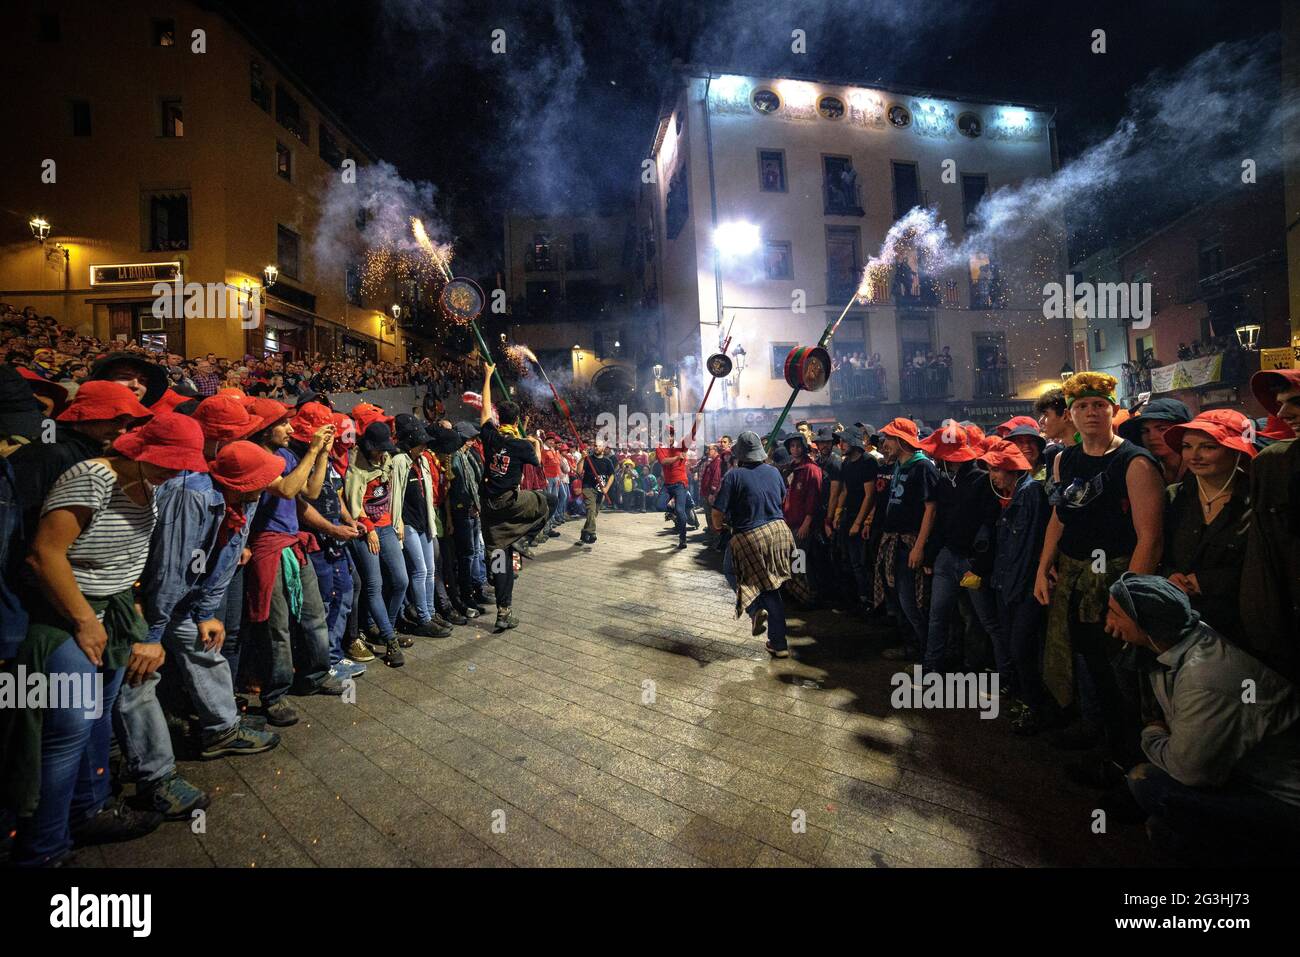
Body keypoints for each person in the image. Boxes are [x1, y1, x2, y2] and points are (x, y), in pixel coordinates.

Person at [5, 414, 206, 865]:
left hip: (111, 611)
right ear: (141, 449)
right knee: (68, 732)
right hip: (66, 614)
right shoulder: (93, 476)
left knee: (96, 719)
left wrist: (129, 605)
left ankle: (87, 812)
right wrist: (83, 619)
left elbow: (122, 554)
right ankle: (42, 850)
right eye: (168, 461)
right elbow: (45, 554)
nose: (176, 470)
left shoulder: (151, 484)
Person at [1106, 574, 1300, 865]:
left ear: (1147, 626)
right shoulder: (1180, 640)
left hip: (1283, 798)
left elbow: (1190, 770)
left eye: (1115, 614)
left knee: (1146, 782)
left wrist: (1153, 733)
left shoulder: (1204, 679)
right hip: (1244, 772)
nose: (1108, 621)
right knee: (1163, 823)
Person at [1034, 372, 1164, 783]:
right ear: (1071, 414)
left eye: (1098, 405)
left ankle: (1130, 769)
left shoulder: (1135, 462)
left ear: (1112, 410)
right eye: (1082, 406)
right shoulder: (1063, 459)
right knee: (1090, 666)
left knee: (1122, 679)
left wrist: (1126, 602)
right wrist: (1042, 567)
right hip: (1074, 579)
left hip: (1115, 579)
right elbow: (1060, 515)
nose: (1091, 412)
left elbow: (1151, 538)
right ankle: (1102, 745)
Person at [245, 398, 347, 717]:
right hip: (267, 547)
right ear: (264, 430)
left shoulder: (287, 455)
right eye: (282, 424)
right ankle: (275, 695)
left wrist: (324, 453)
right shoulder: (255, 457)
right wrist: (314, 452)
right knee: (277, 626)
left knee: (313, 614)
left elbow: (310, 493)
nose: (290, 428)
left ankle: (315, 675)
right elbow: (287, 490)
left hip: (293, 543)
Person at [1159, 409, 1253, 644]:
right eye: (1187, 446)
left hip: (1240, 627)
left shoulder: (1258, 500)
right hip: (1181, 623)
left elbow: (1267, 565)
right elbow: (1159, 551)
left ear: (1235, 450)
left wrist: (1207, 581)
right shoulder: (1174, 497)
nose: (1194, 456)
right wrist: (1171, 575)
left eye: (1209, 447)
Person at [919, 424, 1002, 675]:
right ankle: (932, 666)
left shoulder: (981, 480)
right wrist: (932, 555)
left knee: (985, 620)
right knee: (939, 615)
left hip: (971, 562)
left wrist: (979, 565)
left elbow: (989, 526)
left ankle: (995, 671)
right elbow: (940, 523)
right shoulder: (945, 481)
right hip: (947, 557)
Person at [477, 362, 554, 631]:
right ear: (517, 421)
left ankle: (503, 612)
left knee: (501, 562)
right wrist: (533, 441)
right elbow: (538, 463)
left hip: (489, 511)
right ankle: (526, 538)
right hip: (509, 505)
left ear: (500, 417)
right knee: (549, 501)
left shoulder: (490, 437)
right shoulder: (521, 445)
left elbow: (485, 410)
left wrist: (487, 377)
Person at [982, 438, 1052, 733]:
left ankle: (1037, 709)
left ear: (1012, 470)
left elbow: (1028, 546)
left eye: (997, 469)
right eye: (991, 469)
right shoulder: (1014, 495)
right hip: (1008, 583)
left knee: (1023, 648)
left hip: (1023, 586)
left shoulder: (1031, 494)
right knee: (1016, 646)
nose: (993, 476)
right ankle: (1028, 701)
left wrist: (1017, 587)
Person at [1237, 369, 1300, 682]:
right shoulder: (1272, 465)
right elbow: (1262, 553)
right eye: (1281, 404)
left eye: (1295, 402)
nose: (1283, 413)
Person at [713, 432, 796, 658]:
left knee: (730, 570)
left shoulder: (733, 475)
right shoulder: (774, 472)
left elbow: (718, 511)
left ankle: (754, 609)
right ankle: (779, 645)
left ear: (739, 454)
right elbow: (782, 499)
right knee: (772, 587)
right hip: (780, 532)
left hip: (751, 534)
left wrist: (719, 528)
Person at [345, 420, 410, 666]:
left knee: (401, 580)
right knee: (374, 583)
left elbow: (393, 493)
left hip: (386, 525)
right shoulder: (356, 467)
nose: (382, 453)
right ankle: (390, 640)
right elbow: (354, 505)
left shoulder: (387, 461)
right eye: (378, 448)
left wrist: (398, 517)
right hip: (365, 529)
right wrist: (368, 529)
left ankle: (386, 629)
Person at [874, 419, 940, 662]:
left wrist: (919, 547)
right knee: (900, 602)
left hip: (908, 544)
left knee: (912, 604)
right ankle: (910, 648)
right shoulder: (900, 465)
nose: (885, 444)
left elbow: (931, 510)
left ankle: (926, 655)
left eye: (889, 439)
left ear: (902, 441)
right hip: (894, 542)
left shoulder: (923, 467)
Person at [834, 428, 880, 610]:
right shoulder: (846, 464)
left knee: (860, 561)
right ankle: (854, 598)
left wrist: (859, 523)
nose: (841, 445)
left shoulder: (868, 462)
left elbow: (870, 495)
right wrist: (838, 513)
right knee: (846, 558)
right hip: (849, 514)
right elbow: (845, 490)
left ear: (853, 442)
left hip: (861, 517)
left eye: (844, 441)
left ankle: (867, 600)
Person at [1119, 398, 1191, 484]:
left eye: (1162, 429)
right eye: (1145, 431)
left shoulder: (1200, 469)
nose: (1151, 437)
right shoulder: (1142, 470)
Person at [656, 426, 690, 549]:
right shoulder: (659, 448)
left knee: (680, 511)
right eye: (666, 435)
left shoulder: (681, 446)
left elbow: (692, 433)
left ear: (673, 436)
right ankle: (676, 512)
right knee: (659, 506)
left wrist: (697, 421)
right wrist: (677, 457)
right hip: (668, 484)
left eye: (671, 435)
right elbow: (664, 461)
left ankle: (683, 538)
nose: (669, 437)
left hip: (680, 483)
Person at [580, 437, 616, 546]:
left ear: (603, 448)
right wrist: (581, 459)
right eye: (595, 445)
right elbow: (579, 471)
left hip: (600, 491)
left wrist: (606, 488)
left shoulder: (607, 461)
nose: (597, 447)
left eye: (599, 446)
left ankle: (584, 532)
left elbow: (612, 476)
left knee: (593, 513)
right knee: (591, 510)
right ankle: (592, 533)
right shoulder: (588, 459)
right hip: (588, 488)